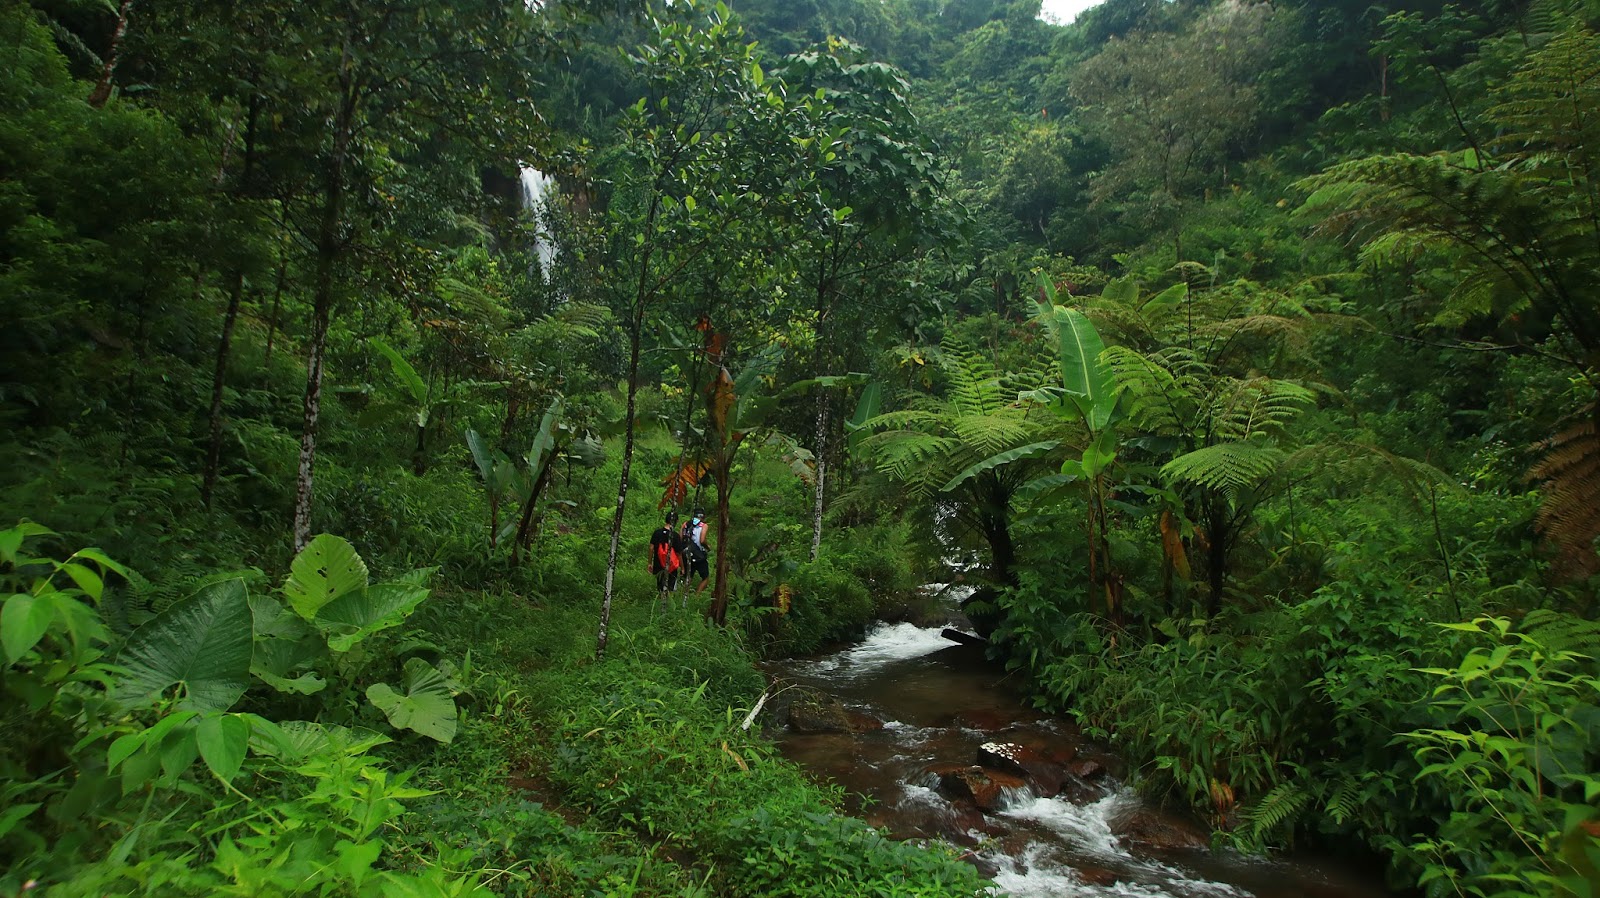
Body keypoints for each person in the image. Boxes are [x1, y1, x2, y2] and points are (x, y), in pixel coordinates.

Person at [649, 511, 682, 599]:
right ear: (676, 521)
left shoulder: (657, 533)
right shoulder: (675, 536)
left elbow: (651, 548)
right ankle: (668, 606)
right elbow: (679, 554)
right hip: (671, 567)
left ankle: (660, 603)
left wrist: (649, 562)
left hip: (658, 565)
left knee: (660, 588)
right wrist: (682, 567)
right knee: (670, 589)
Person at [681, 509, 710, 594]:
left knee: (688, 576)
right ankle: (697, 596)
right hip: (699, 555)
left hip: (686, 554)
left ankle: (683, 595)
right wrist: (708, 547)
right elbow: (702, 540)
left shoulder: (685, 524)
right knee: (705, 577)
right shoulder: (703, 526)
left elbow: (680, 539)